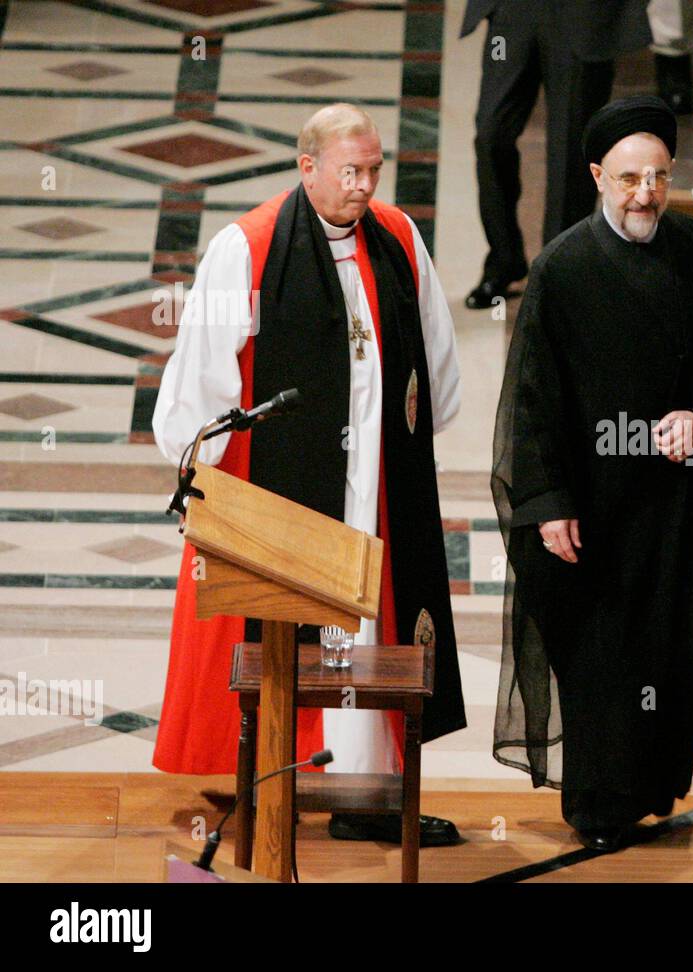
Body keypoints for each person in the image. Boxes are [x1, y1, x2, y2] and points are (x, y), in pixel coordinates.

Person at [152, 103, 466, 848]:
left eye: (373, 170)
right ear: (307, 167)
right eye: (349, 171)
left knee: (373, 620)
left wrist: (417, 433)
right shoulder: (248, 248)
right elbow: (201, 382)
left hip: (378, 483)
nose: (363, 186)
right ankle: (271, 779)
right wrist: (205, 480)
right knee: (292, 623)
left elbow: (435, 359)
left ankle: (372, 792)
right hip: (284, 491)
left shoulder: (397, 238)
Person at [490, 96, 693, 852]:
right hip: (598, 513)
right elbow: (531, 400)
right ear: (596, 177)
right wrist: (547, 502)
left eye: (657, 177)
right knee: (604, 663)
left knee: (677, 652)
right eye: (628, 179)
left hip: (682, 510)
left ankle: (651, 789)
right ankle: (598, 804)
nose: (644, 193)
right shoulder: (563, 268)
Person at [460, 0, 652, 309]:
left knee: (570, 150)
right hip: (513, 13)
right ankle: (504, 259)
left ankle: (558, 274)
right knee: (490, 135)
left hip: (583, 15)